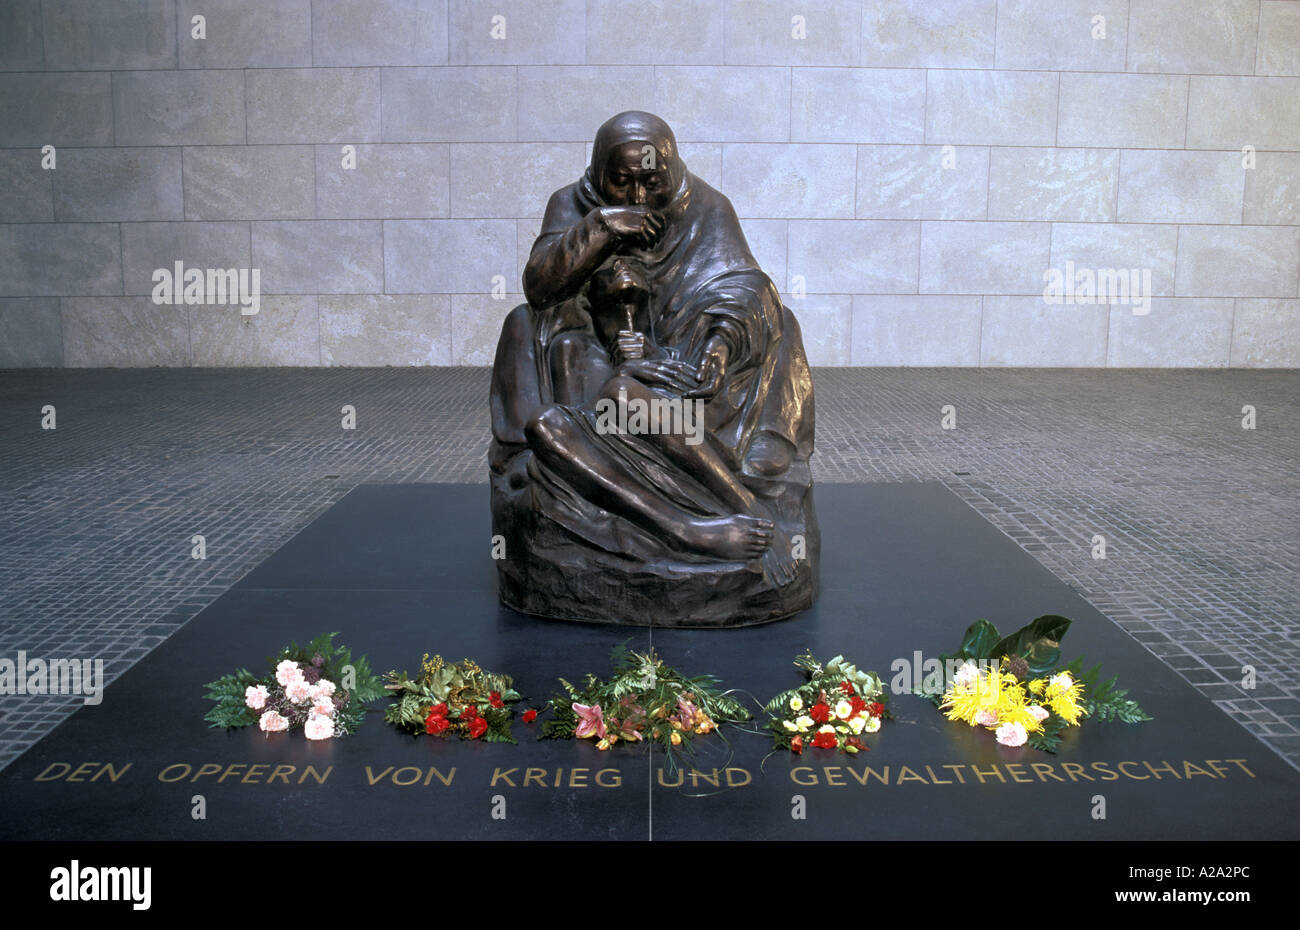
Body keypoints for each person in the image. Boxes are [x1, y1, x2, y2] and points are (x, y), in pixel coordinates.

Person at [489, 111, 816, 623]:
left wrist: (717, 346)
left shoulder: (707, 207)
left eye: (650, 180)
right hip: (593, 364)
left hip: (680, 359)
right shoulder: (572, 205)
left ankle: (750, 470)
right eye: (621, 181)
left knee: (780, 320)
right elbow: (541, 286)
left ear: (672, 171)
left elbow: (740, 286)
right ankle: (692, 529)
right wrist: (600, 227)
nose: (637, 195)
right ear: (599, 172)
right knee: (554, 377)